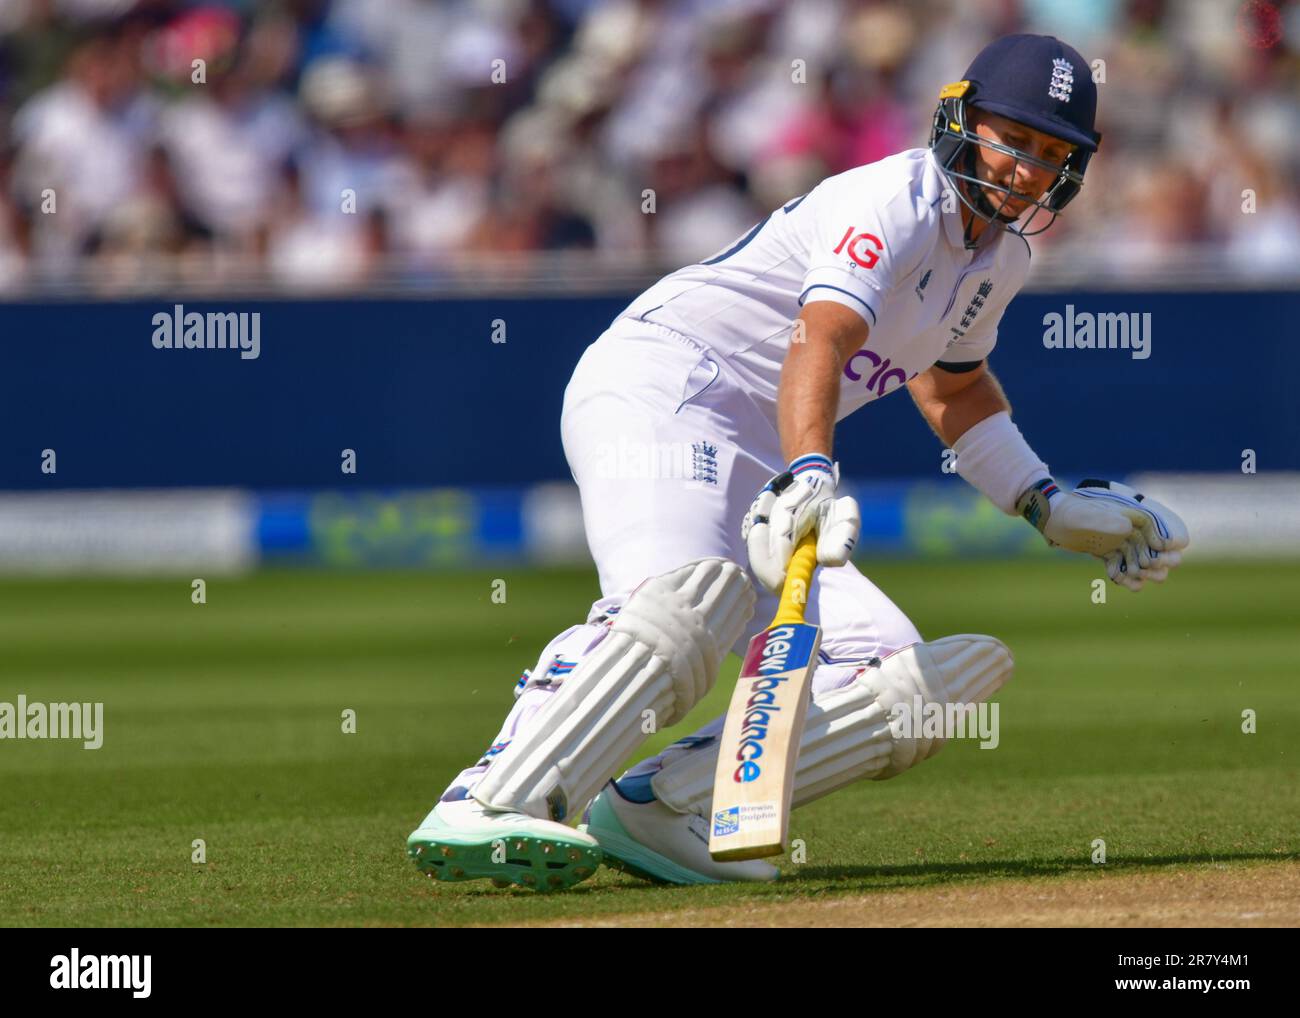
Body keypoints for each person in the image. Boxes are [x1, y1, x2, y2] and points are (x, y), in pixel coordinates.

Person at [406, 34, 1189, 891]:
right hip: (667, 384)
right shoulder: (894, 200)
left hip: (760, 443)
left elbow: (953, 388)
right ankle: (492, 794)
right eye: (1014, 139)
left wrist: (1045, 502)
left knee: (900, 682)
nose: (1027, 168)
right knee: (687, 604)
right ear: (963, 120)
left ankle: (659, 806)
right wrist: (811, 470)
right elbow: (821, 337)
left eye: (1050, 153)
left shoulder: (1000, 260)